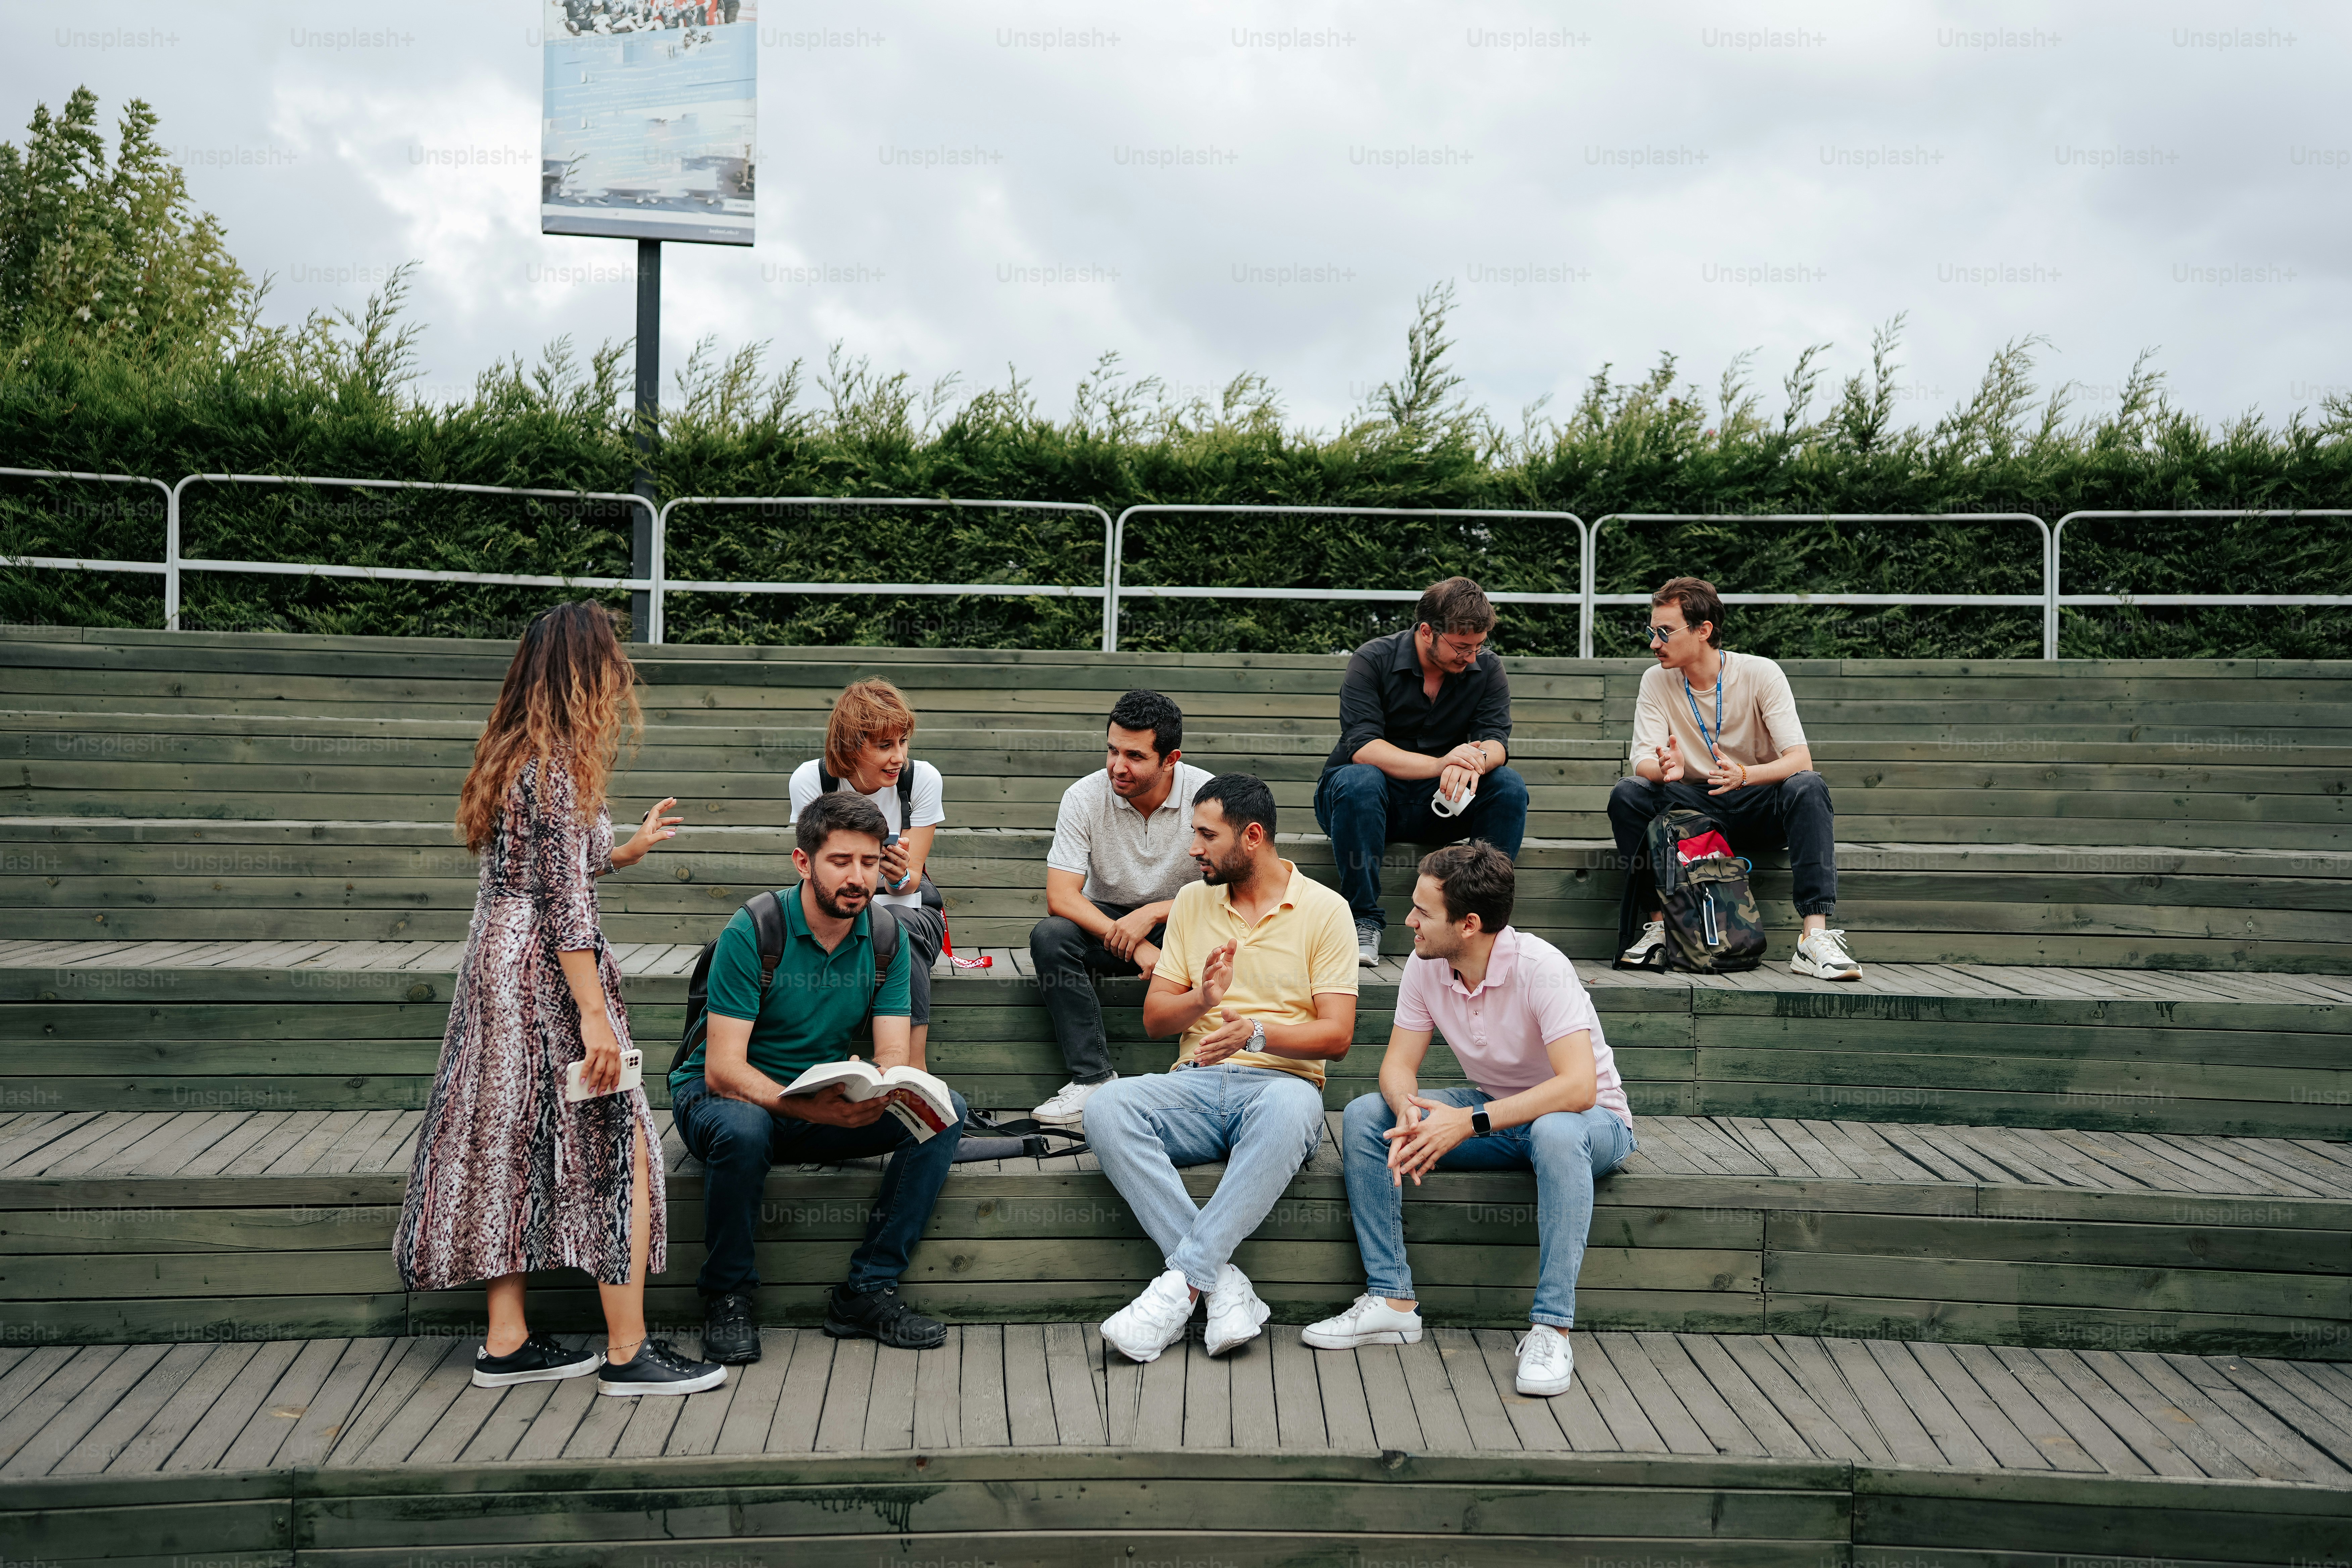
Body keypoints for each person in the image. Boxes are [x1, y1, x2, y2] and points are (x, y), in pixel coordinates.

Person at [394, 601, 724, 1398]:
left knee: (509, 1139)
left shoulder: (520, 755)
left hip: (495, 968)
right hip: (543, 971)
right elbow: (564, 902)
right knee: (620, 1140)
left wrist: (624, 848)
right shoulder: (558, 767)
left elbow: (553, 866)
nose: (622, 675)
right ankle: (628, 1350)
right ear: (586, 671)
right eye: (611, 660)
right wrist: (594, 1013)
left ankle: (506, 1341)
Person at [1303, 841, 1635, 1398]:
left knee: (1554, 1130)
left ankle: (1550, 1327)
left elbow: (1578, 1088)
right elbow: (1397, 1065)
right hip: (1499, 1110)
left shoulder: (1542, 967)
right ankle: (1392, 1299)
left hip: (1589, 1122)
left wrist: (1469, 1121)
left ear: (1469, 924)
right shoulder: (1425, 964)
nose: (1407, 920)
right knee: (1367, 1114)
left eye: (1422, 912)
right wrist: (1408, 1107)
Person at [670, 791, 967, 1363]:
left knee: (942, 1113)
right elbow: (723, 1068)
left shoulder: (886, 937)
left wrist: (877, 1086)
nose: (858, 877)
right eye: (840, 862)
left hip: (814, 1097)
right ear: (803, 862)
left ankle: (867, 1290)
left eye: (869, 861)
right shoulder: (754, 928)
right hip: (720, 1098)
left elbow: (892, 1054)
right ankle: (727, 1294)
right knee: (745, 1130)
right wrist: (812, 1109)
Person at [1086, 774, 1361, 1363]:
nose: (1193, 848)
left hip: (1280, 1086)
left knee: (1292, 1109)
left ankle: (1178, 1287)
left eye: (1207, 835)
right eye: (1194, 833)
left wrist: (1256, 1033)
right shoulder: (1191, 901)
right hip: (1194, 1084)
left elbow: (1336, 1036)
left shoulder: (1325, 910)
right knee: (1106, 1105)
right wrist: (1203, 1000)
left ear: (1252, 836)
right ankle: (1222, 1282)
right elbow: (1158, 1020)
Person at [1610, 577, 1860, 981]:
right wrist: (1665, 769)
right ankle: (1661, 925)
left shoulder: (1761, 673)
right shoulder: (1655, 680)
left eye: (1664, 632)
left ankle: (1814, 937)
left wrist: (1746, 775)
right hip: (1695, 810)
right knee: (1630, 793)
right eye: (1651, 632)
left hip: (1756, 803)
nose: (1654, 643)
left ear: (1703, 630)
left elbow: (1800, 758)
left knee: (1808, 785)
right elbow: (1643, 760)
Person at [1315, 576, 1528, 968]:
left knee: (1509, 786)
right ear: (1427, 631)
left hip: (1440, 804)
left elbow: (1496, 740)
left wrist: (1473, 761)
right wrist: (1441, 762)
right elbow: (1363, 747)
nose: (1472, 657)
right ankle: (1363, 919)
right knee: (1360, 778)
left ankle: (1482, 923)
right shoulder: (1372, 658)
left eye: (1479, 646)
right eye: (1463, 647)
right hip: (1361, 803)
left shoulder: (1487, 667)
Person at [1028, 690, 1213, 1131]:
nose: (1117, 766)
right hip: (1106, 925)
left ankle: (1207, 1074)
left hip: (1183, 923)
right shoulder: (1084, 796)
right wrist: (1135, 945)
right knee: (1050, 937)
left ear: (1170, 759)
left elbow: (1236, 888)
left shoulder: (1207, 796)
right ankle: (1093, 1078)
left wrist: (1154, 914)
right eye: (1112, 750)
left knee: (1232, 939)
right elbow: (1062, 896)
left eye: (1134, 755)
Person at [789, 679, 949, 1067]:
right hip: (836, 906)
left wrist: (895, 876)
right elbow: (815, 873)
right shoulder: (812, 780)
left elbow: (910, 881)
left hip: (907, 906)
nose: (900, 758)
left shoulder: (921, 779)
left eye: (903, 743)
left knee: (896, 924)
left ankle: (911, 1068)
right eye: (884, 746)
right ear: (850, 746)